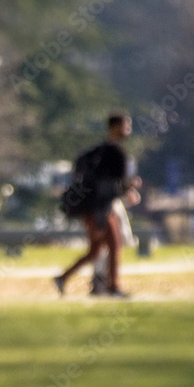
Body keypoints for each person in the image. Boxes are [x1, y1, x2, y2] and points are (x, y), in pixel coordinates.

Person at [55, 113, 141, 298]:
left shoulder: (97, 151)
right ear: (115, 127)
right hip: (99, 208)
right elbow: (113, 185)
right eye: (126, 126)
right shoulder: (115, 154)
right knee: (115, 243)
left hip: (91, 207)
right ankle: (113, 286)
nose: (128, 131)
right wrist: (129, 189)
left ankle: (63, 278)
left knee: (95, 250)